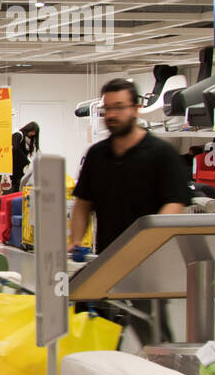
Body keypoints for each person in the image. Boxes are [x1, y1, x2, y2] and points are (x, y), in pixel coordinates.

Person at [70, 79, 190, 345]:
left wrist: (146, 240)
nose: (111, 115)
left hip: (147, 266)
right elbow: (83, 203)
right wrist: (76, 239)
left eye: (119, 107)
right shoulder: (97, 155)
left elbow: (175, 203)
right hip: (106, 261)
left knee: (154, 337)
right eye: (107, 109)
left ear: (135, 109)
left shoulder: (162, 154)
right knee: (96, 337)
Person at [11, 121, 39, 192]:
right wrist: (26, 161)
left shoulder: (28, 140)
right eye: (33, 131)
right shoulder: (18, 135)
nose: (33, 134)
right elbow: (15, 148)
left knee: (19, 188)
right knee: (14, 189)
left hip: (21, 170)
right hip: (14, 169)